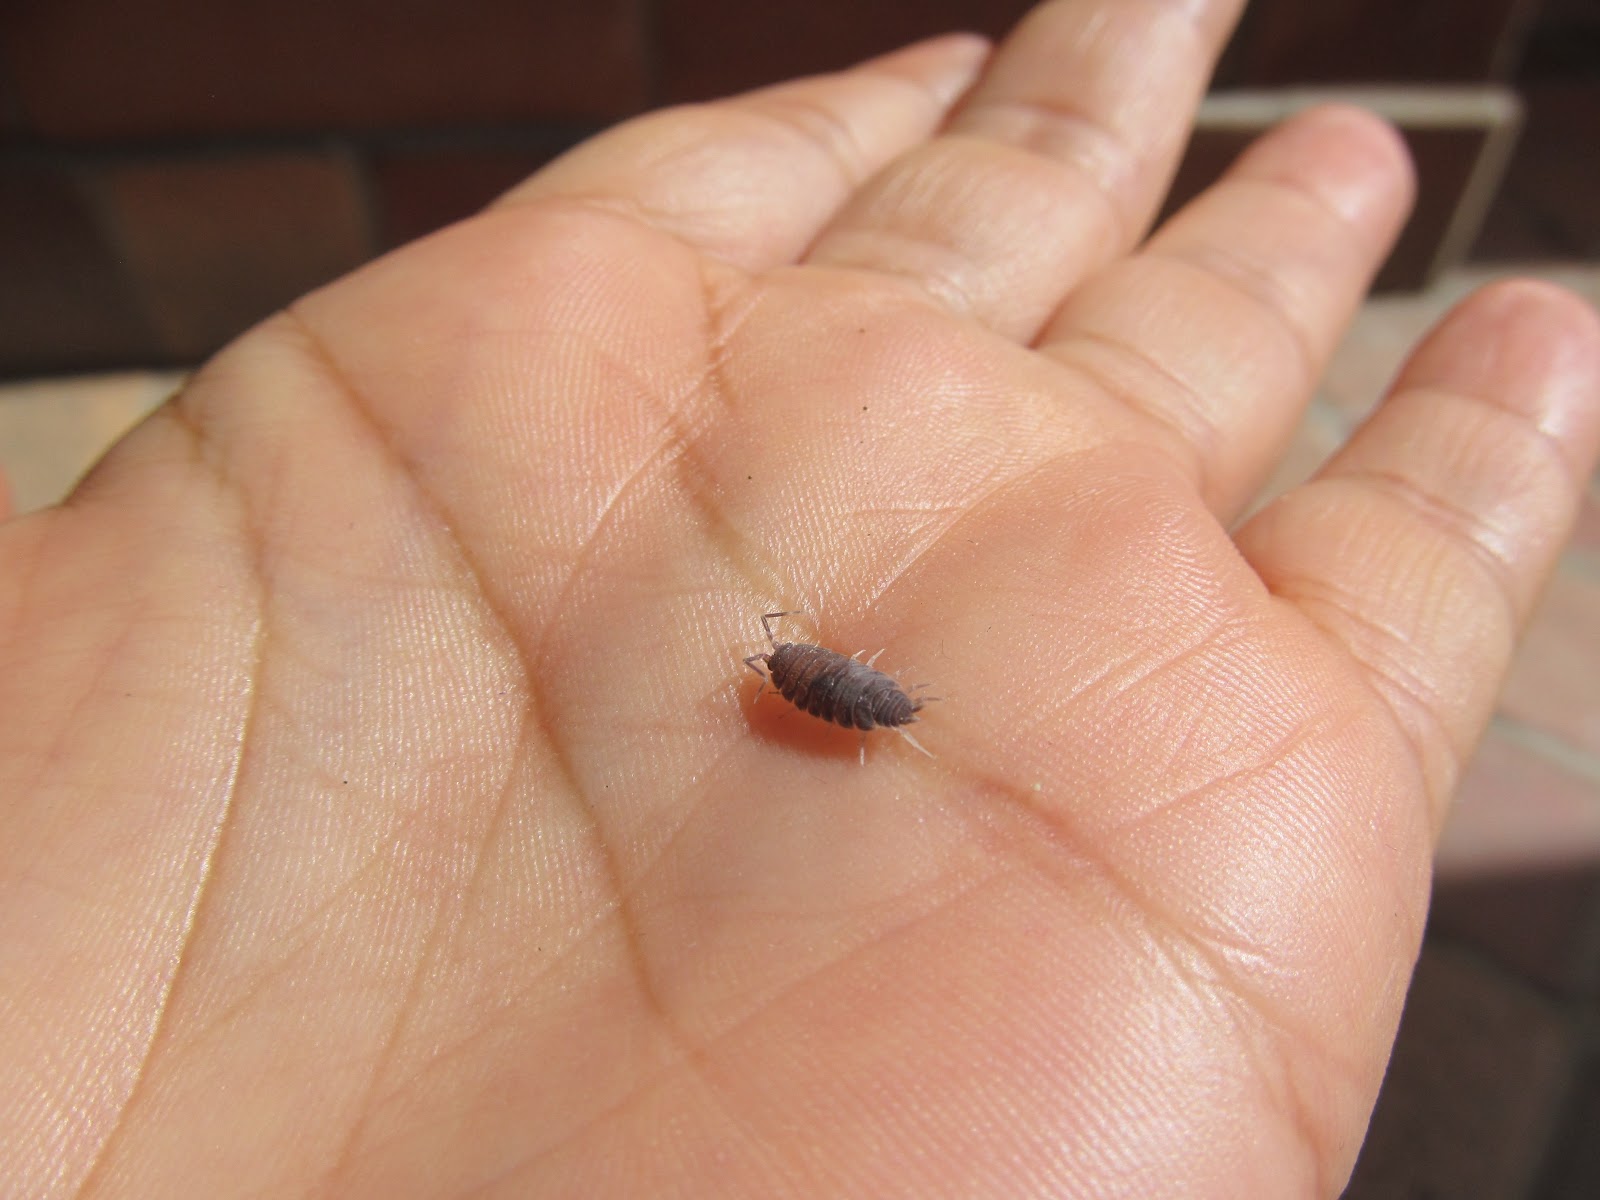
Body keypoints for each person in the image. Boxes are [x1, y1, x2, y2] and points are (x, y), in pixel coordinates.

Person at [2, 0, 1596, 1195]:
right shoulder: (808, 685)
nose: (808, 682)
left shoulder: (820, 681)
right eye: (807, 680)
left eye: (811, 679)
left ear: (825, 684)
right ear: (817, 686)